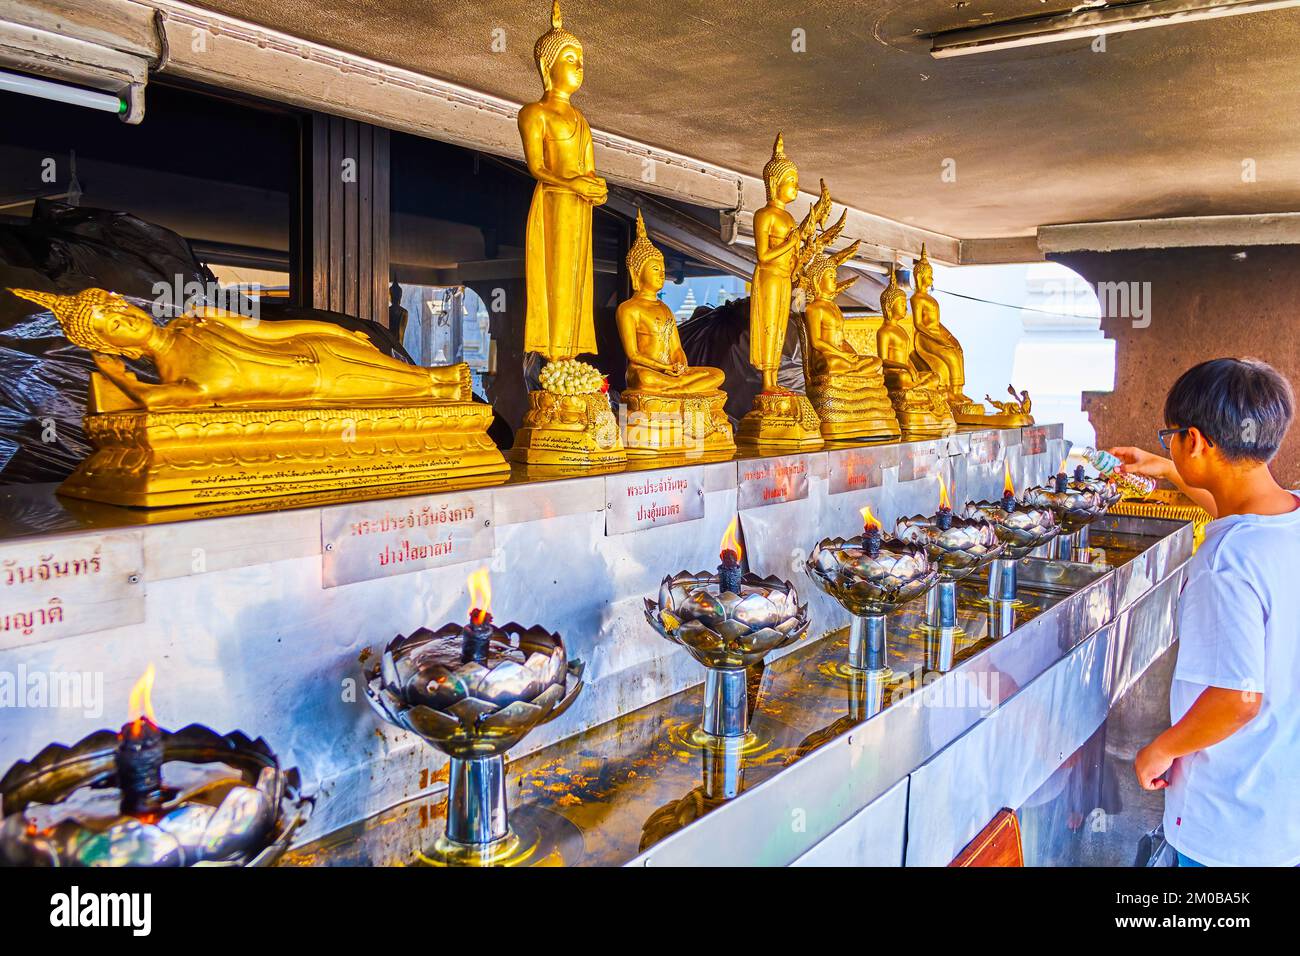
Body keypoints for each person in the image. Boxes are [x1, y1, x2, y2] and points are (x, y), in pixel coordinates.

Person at [1112, 357, 1299, 867]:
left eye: (1171, 436)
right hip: (1280, 808)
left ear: (1195, 440)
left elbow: (1238, 697)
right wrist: (1167, 468)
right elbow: (1231, 504)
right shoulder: (1288, 514)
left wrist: (1163, 748)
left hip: (1229, 830)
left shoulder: (1224, 563)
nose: (1169, 444)